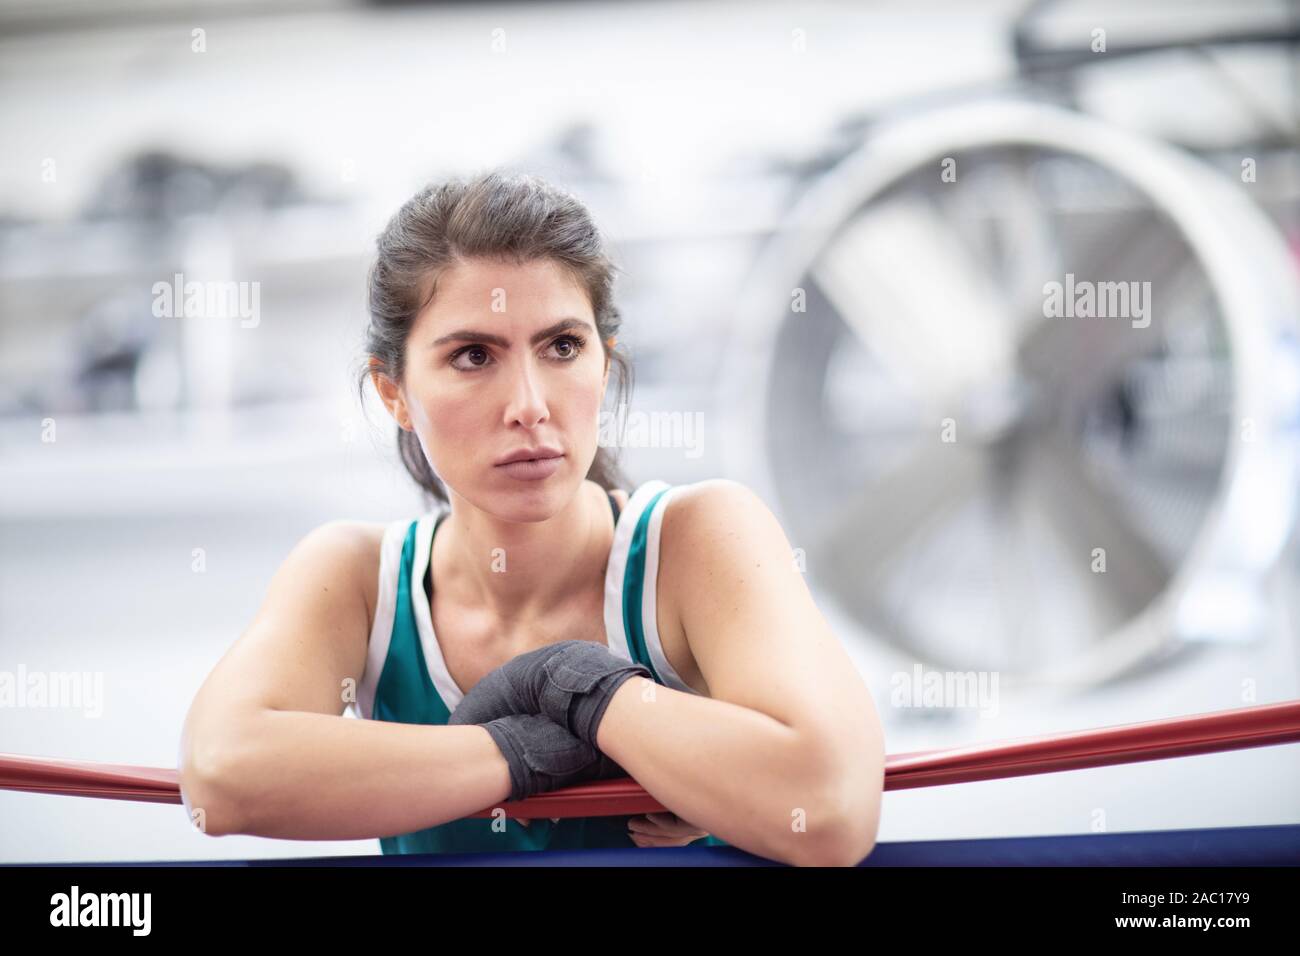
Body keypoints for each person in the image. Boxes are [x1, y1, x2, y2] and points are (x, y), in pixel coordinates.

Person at [179, 171, 885, 866]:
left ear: (603, 367)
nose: (529, 404)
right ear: (394, 392)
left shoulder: (697, 538)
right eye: (473, 355)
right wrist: (534, 745)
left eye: (563, 347)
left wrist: (578, 683)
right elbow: (220, 776)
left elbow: (830, 810)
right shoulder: (359, 579)